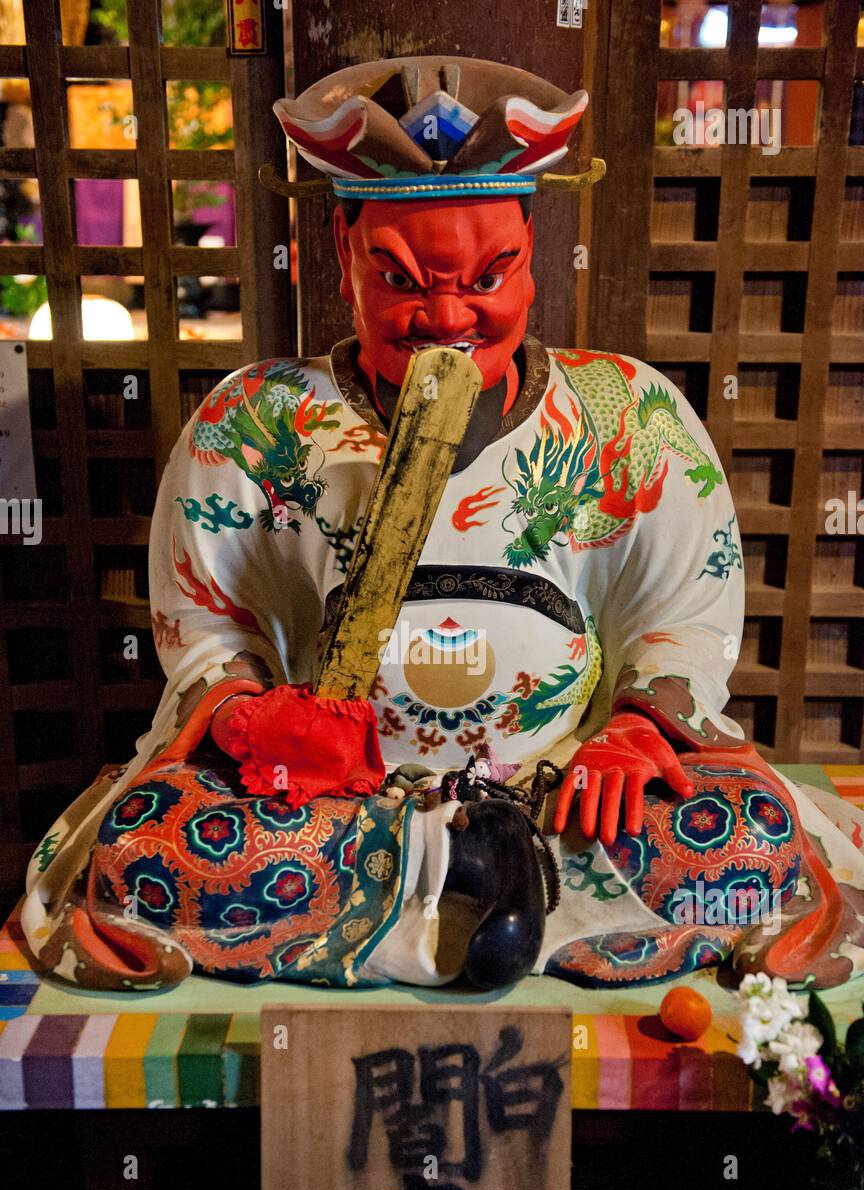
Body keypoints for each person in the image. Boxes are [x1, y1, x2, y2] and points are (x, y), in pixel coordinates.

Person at [21, 56, 864, 994]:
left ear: (533, 261)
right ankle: (461, 883)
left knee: (735, 834)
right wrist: (254, 719)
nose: (448, 316)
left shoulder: (627, 412)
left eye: (488, 277)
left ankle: (452, 894)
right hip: (329, 803)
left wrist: (639, 724)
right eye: (403, 280)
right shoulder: (255, 420)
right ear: (344, 260)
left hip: (564, 789)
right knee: (161, 847)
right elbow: (210, 628)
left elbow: (684, 614)